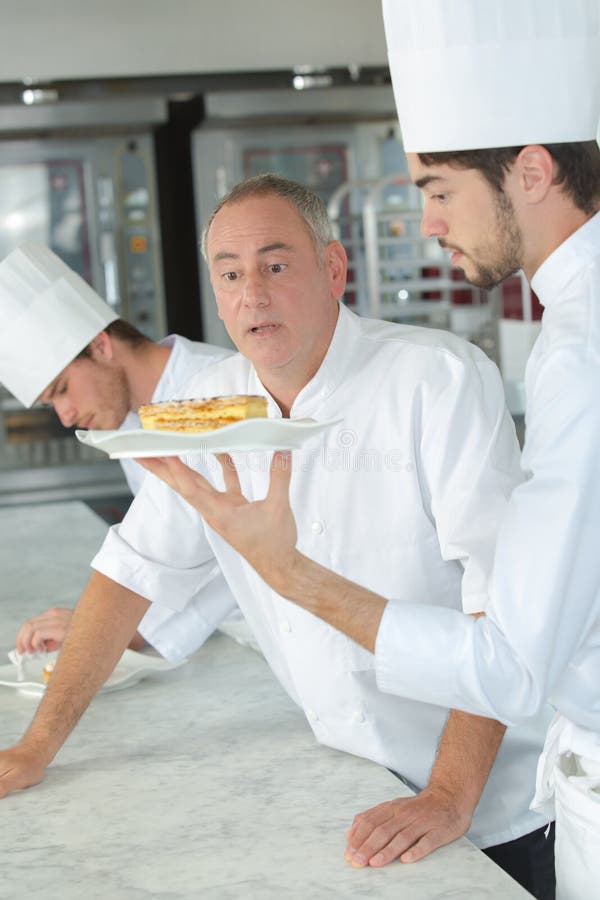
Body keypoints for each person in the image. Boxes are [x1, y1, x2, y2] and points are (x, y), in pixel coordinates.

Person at [145, 3, 600, 898]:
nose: (429, 224)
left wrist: (291, 574)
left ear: (533, 171)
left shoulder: (577, 353)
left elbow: (508, 665)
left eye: (438, 190)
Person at [0, 177, 555, 898]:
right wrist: (35, 748)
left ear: (333, 269)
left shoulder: (437, 380)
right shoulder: (207, 412)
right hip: (352, 783)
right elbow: (130, 575)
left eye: (275, 264)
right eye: (230, 274)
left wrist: (449, 795)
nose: (251, 294)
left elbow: (500, 610)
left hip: (492, 800)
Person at [0, 242, 238, 662]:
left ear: (101, 346)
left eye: (62, 391)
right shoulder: (129, 418)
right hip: (227, 643)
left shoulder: (216, 390)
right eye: (49, 404)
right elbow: (167, 549)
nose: (65, 415)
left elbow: (234, 555)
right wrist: (104, 621)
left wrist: (119, 629)